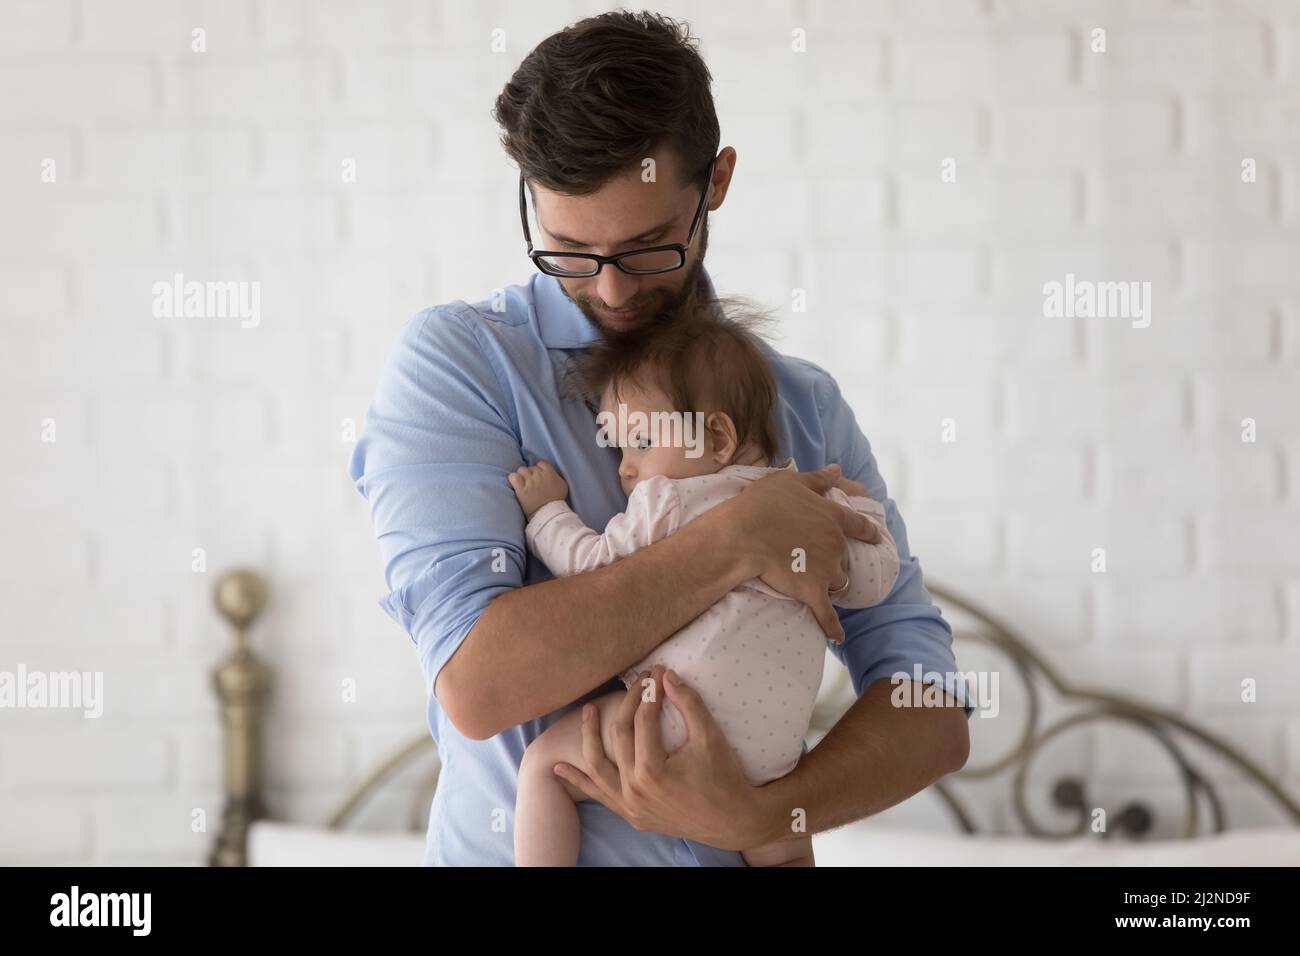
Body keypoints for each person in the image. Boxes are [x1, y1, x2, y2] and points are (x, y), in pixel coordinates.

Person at [349, 10, 971, 866]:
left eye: (646, 249)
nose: (607, 291)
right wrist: (734, 538)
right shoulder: (461, 365)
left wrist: (771, 819)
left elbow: (930, 704)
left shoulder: (802, 407)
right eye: (568, 250)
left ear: (715, 183)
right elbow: (479, 684)